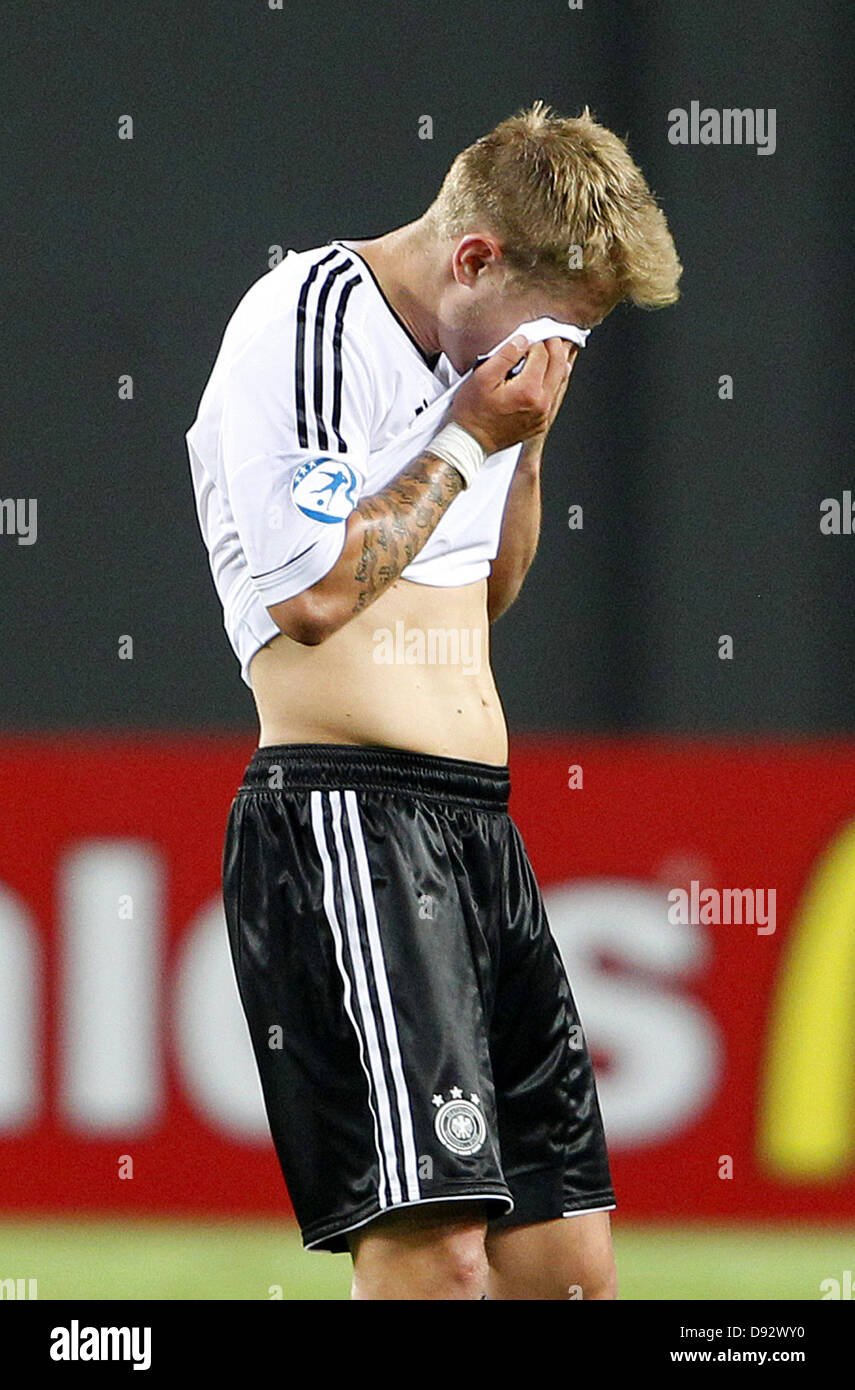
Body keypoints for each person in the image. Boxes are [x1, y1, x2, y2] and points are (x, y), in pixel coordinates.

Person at [186, 101, 681, 1300]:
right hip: (348, 816)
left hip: (477, 827)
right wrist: (469, 432)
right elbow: (310, 594)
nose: (557, 357)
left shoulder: (478, 370)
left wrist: (525, 439)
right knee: (438, 1256)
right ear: (475, 258)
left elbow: (489, 589)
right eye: (558, 325)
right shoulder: (308, 317)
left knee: (567, 1269)